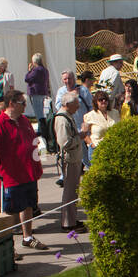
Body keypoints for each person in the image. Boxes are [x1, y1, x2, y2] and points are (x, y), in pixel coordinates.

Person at [0, 89, 47, 251]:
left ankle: (27, 237)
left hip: (28, 173)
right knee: (10, 211)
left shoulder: (24, 120)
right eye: (22, 103)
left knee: (28, 206)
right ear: (11, 104)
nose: (25, 106)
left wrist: (38, 163)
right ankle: (8, 247)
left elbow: (34, 141)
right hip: (11, 176)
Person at [53, 95, 83, 231]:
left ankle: (71, 219)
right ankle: (68, 222)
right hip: (69, 160)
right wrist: (80, 137)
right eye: (76, 104)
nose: (78, 107)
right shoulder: (62, 119)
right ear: (67, 104)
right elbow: (65, 142)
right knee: (70, 192)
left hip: (74, 159)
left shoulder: (67, 116)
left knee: (73, 191)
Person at [81, 90, 118, 168]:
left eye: (105, 99)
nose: (103, 101)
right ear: (96, 102)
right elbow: (84, 133)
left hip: (113, 148)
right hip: (97, 149)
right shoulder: (89, 116)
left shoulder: (115, 113)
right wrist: (91, 144)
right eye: (100, 99)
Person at [24, 53, 51, 142]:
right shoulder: (45, 70)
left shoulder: (36, 70)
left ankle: (43, 131)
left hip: (36, 93)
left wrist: (29, 70)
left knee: (38, 113)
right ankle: (40, 130)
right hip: (43, 92)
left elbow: (27, 79)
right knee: (41, 111)